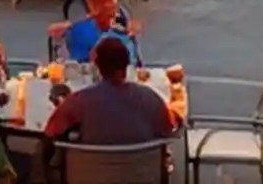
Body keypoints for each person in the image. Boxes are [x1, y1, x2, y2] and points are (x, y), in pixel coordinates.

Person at [44, 37, 177, 145]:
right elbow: (169, 128)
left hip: (89, 175)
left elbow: (51, 130)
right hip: (142, 174)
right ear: (127, 65)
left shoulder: (79, 101)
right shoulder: (151, 99)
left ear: (98, 66)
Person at [50, 0, 139, 63]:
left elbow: (135, 64)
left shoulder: (123, 28)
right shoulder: (80, 31)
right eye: (108, 1)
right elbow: (78, 67)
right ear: (92, 6)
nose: (114, 5)